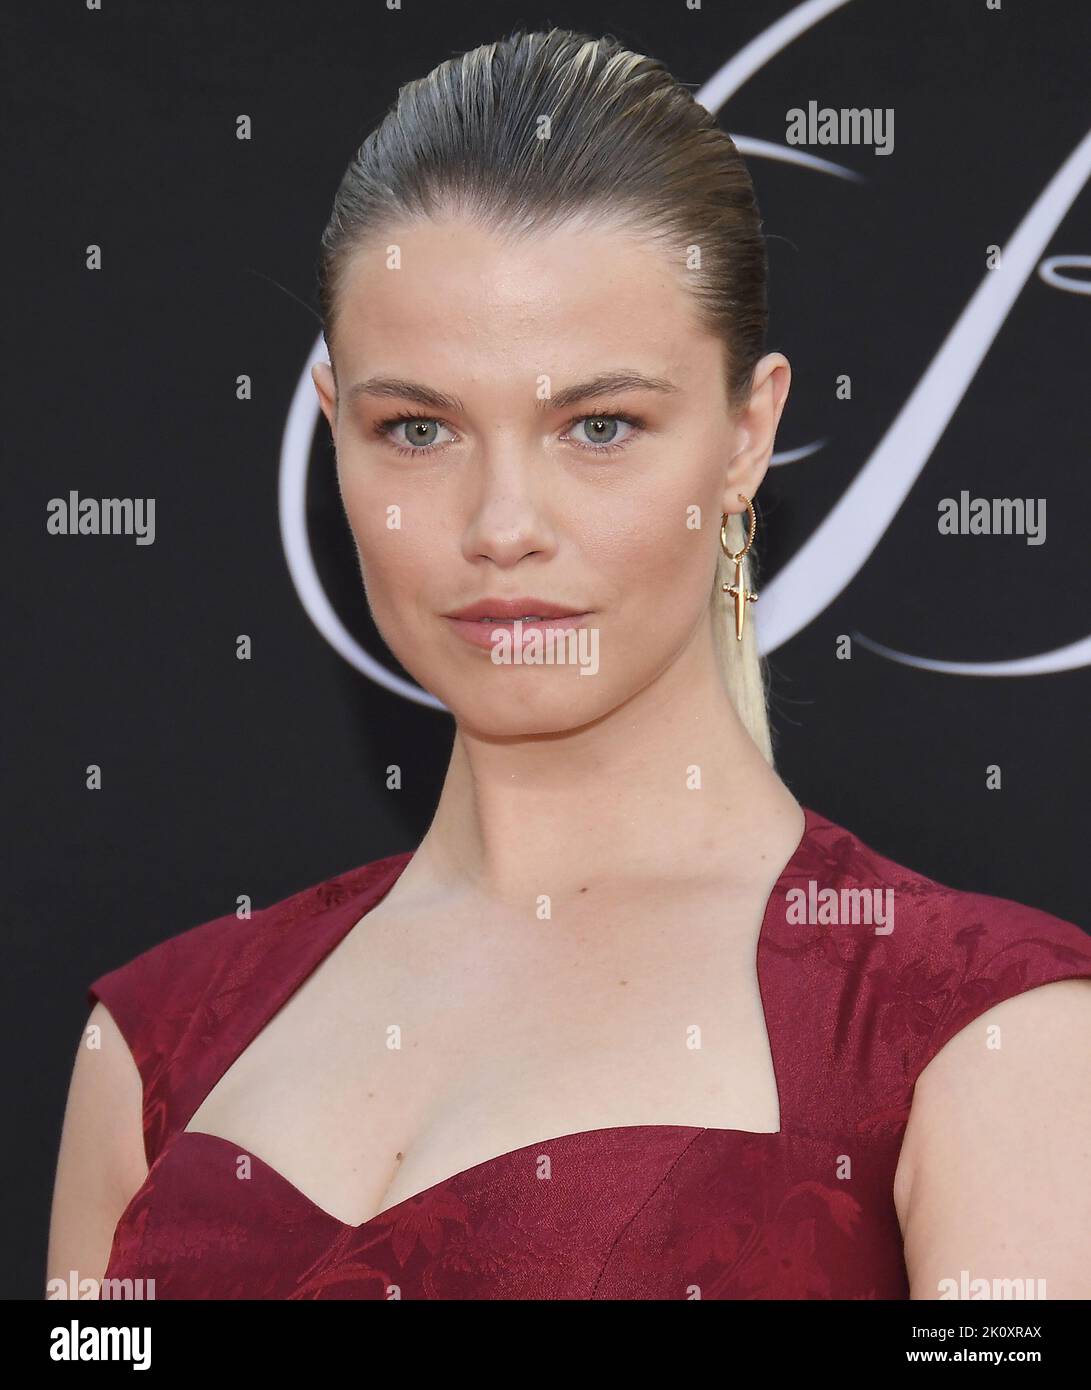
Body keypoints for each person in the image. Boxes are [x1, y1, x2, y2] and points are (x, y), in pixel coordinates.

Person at [47, 27, 1091, 1301]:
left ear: (745, 433)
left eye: (598, 426)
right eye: (416, 428)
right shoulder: (153, 1048)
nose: (499, 525)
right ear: (335, 433)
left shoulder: (977, 1033)